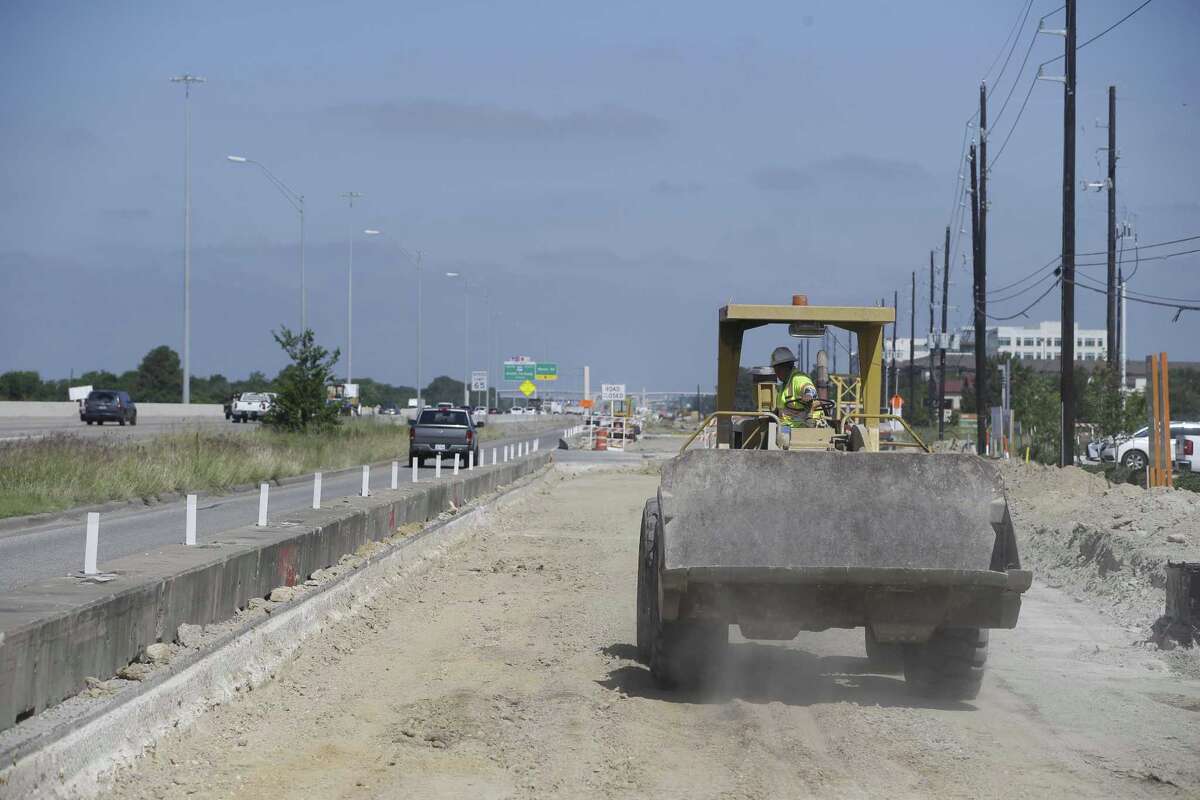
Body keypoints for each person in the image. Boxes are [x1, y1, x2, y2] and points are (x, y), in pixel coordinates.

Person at [770, 346, 823, 428]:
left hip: (806, 426)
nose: (776, 374)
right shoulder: (783, 386)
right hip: (789, 427)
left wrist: (808, 395)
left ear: (785, 367)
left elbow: (809, 388)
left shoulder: (798, 378)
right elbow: (782, 410)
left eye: (777, 370)